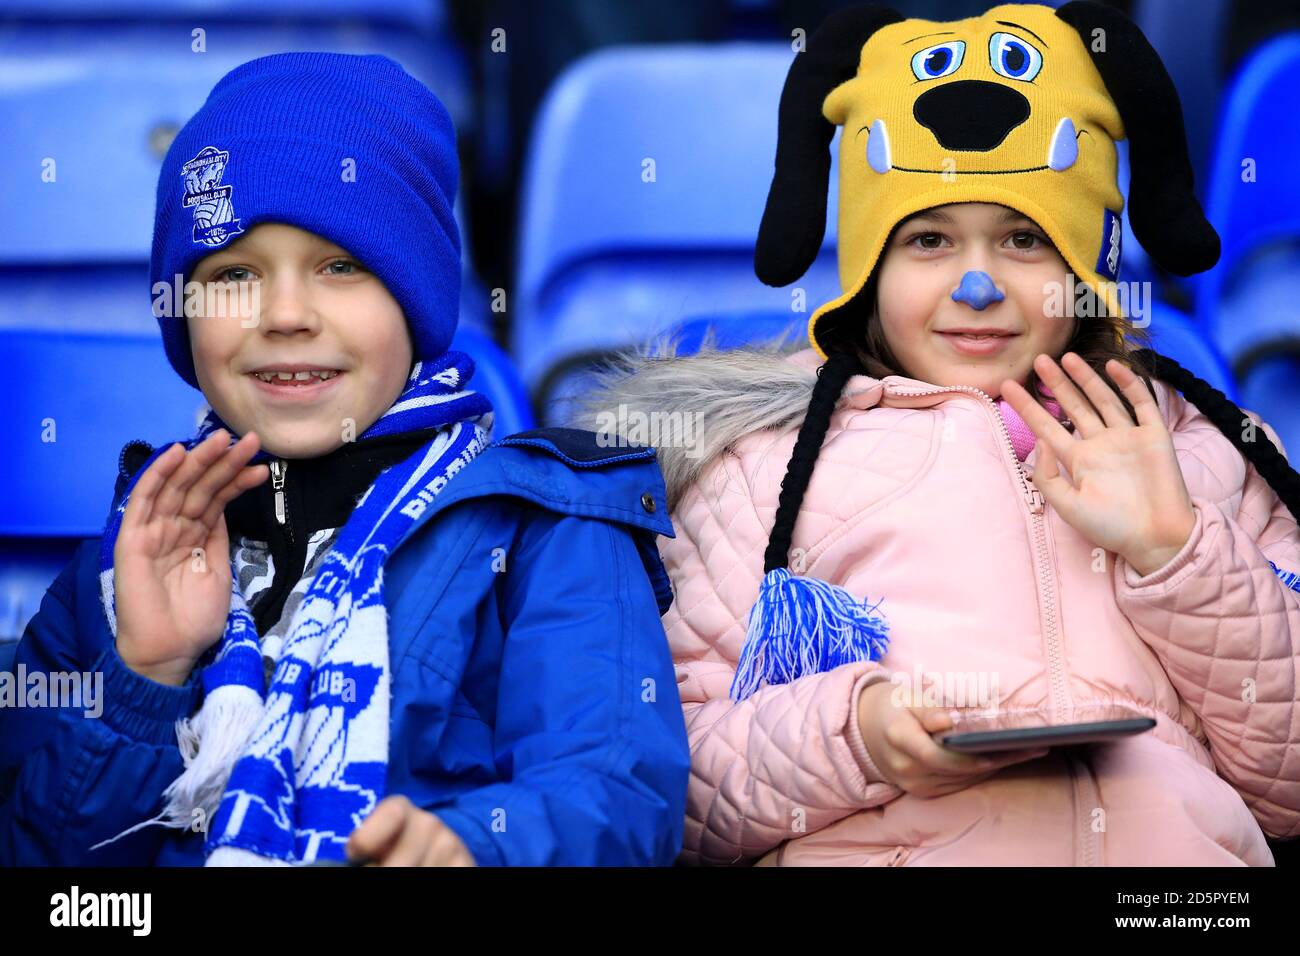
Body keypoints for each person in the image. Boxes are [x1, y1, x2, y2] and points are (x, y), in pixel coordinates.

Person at [579, 2, 1300, 865]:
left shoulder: (1207, 457)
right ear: (868, 271)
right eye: (927, 239)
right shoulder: (761, 474)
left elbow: (1288, 791)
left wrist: (1178, 551)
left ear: (1088, 267)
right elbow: (674, 793)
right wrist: (857, 738)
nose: (979, 286)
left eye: (1024, 239)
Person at [0, 52, 689, 866]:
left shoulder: (545, 530)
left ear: (418, 300)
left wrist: (470, 849)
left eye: (342, 266)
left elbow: (615, 799)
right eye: (233, 275)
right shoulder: (120, 567)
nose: (286, 314)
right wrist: (143, 681)